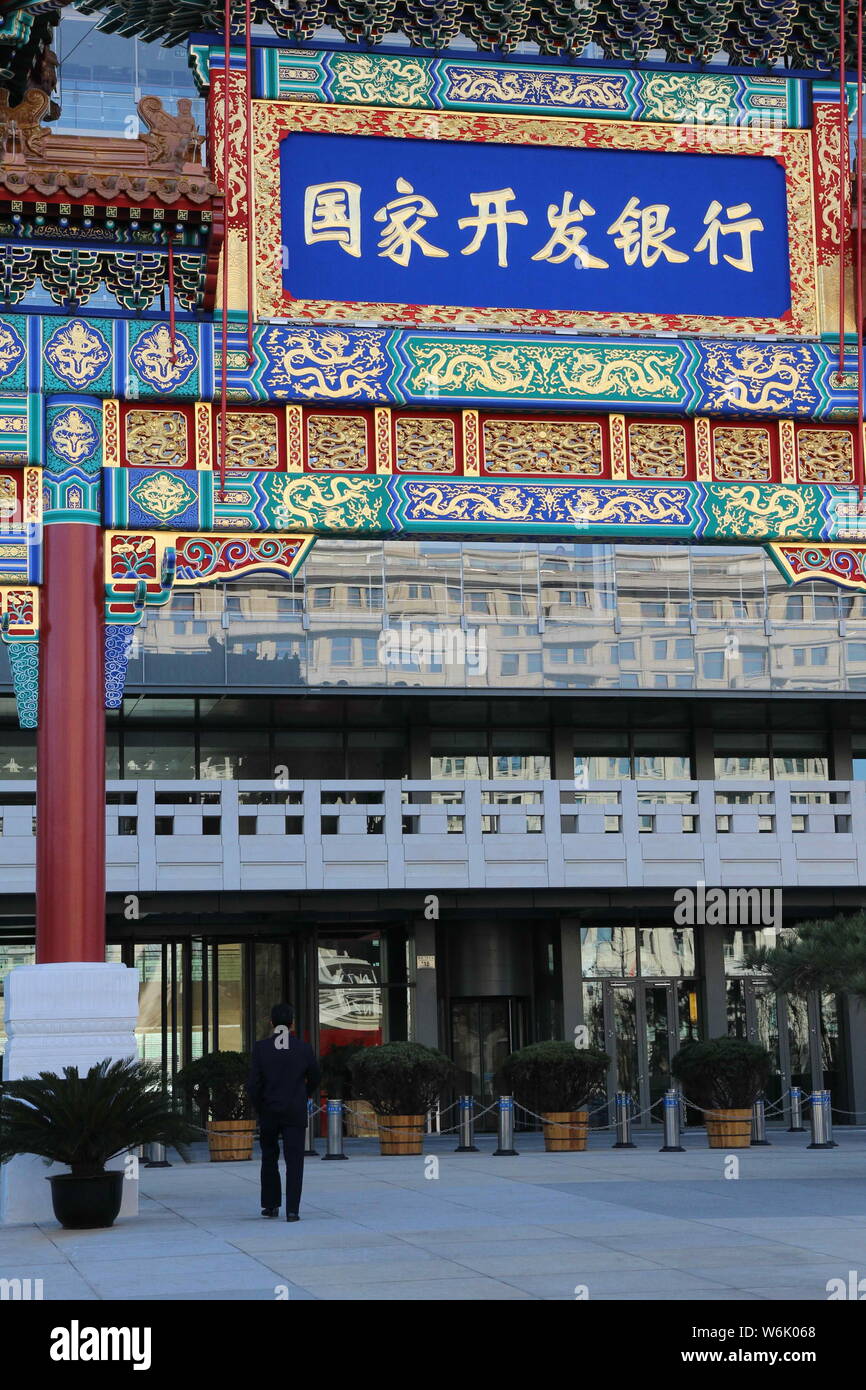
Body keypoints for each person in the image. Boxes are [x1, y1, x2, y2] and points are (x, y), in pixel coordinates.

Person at [247, 1003, 320, 1222]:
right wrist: (304, 1094)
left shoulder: (261, 1048)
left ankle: (270, 1205)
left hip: (269, 1110)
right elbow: (316, 1077)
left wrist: (260, 1106)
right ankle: (292, 1210)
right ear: (292, 1024)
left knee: (269, 1158)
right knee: (295, 1161)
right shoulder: (304, 1049)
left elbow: (253, 1084)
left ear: (271, 1023)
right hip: (295, 1111)